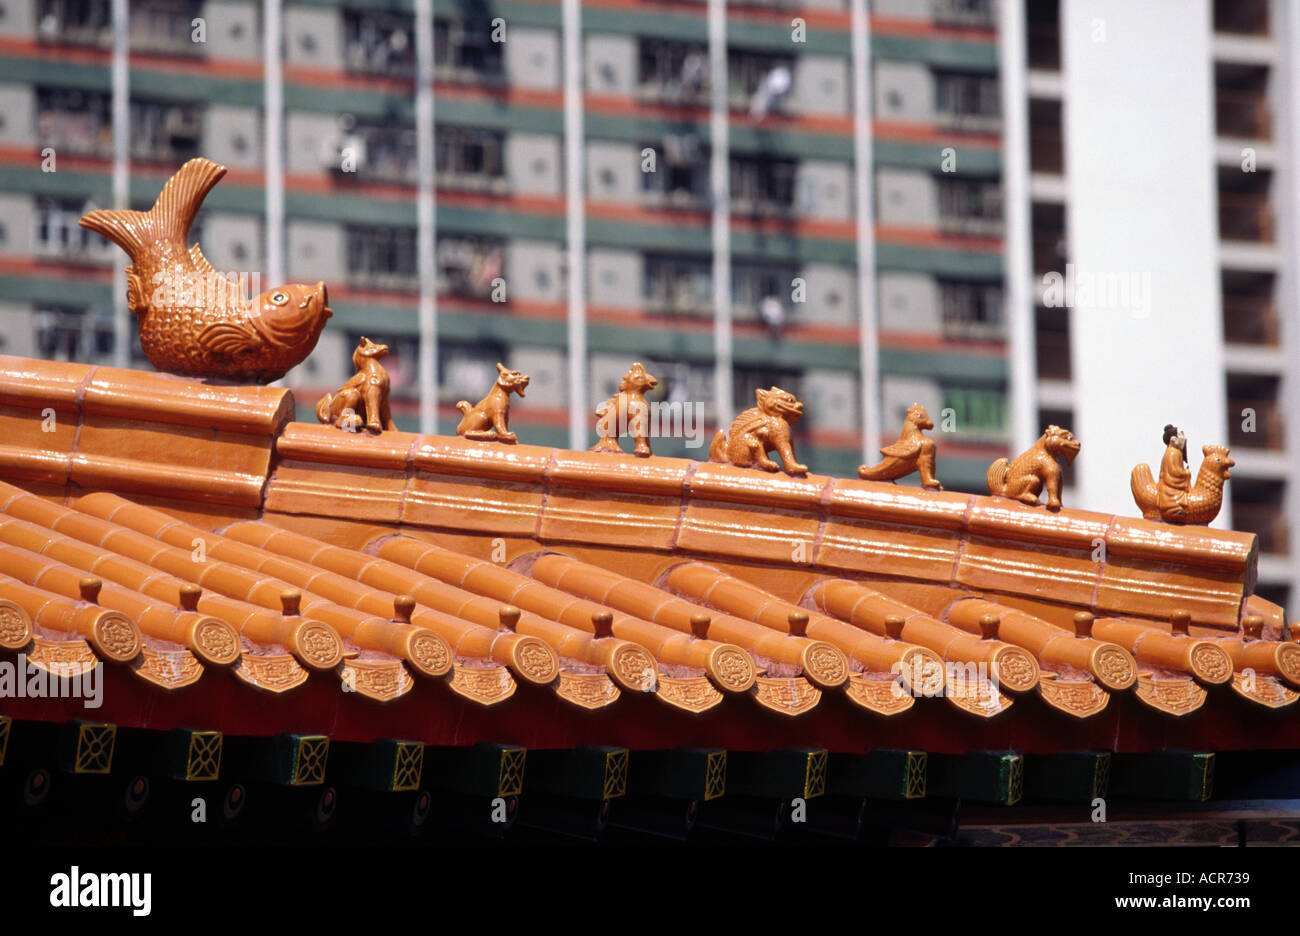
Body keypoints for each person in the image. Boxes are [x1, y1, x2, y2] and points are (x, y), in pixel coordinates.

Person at [1156, 423, 1191, 519]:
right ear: (1173, 440)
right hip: (1170, 487)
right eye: (1181, 435)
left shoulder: (1177, 452)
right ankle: (1174, 508)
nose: (1184, 438)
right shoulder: (1172, 453)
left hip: (1173, 485)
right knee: (1175, 497)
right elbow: (1174, 473)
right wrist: (1186, 473)